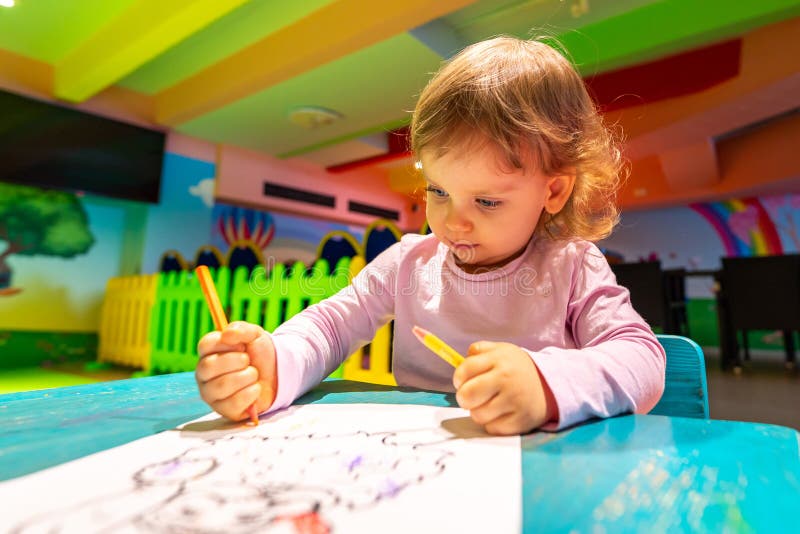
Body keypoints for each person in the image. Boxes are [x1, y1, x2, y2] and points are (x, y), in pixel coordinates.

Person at [195, 36, 666, 434]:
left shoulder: (572, 266)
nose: (452, 222)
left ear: (555, 190)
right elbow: (331, 326)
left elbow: (642, 358)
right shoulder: (409, 263)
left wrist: (545, 385)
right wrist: (275, 366)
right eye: (439, 190)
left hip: (536, 478)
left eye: (486, 201)